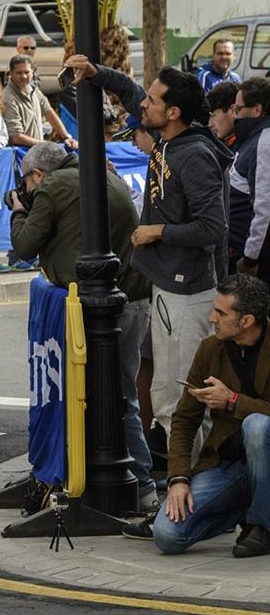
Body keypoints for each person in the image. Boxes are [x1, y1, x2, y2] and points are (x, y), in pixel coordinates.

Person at [67, 56, 229, 453]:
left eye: (154, 101)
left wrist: (158, 231)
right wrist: (95, 73)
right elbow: (130, 92)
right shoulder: (169, 137)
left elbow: (214, 228)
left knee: (180, 402)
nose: (144, 105)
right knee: (167, 395)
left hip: (187, 294)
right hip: (168, 289)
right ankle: (185, 488)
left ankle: (191, 499)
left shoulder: (192, 156)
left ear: (173, 113)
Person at [8, 142, 158, 511]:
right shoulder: (101, 174)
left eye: (27, 182)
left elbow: (24, 245)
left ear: (38, 174)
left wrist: (17, 212)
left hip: (104, 305)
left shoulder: (53, 186)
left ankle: (142, 487)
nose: (26, 189)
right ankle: (123, 481)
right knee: (115, 393)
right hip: (132, 296)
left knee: (115, 396)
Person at [131, 274, 270, 556]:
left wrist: (232, 401)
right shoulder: (210, 348)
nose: (211, 317)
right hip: (228, 464)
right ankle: (246, 508)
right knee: (167, 535)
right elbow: (184, 419)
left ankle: (261, 526)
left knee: (257, 426)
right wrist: (178, 479)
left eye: (221, 312)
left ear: (246, 321)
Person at [231, 78, 270, 283]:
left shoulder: (263, 144)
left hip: (258, 262)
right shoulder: (254, 138)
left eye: (238, 109)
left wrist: (249, 258)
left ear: (256, 110)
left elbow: (264, 208)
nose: (234, 116)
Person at [3, 54, 77, 149]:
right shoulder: (7, 98)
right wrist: (46, 146)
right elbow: (16, 137)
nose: (24, 76)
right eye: (19, 73)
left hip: (37, 152)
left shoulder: (34, 91)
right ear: (11, 73)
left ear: (33, 72)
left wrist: (66, 136)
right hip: (20, 156)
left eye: (26, 72)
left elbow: (48, 111)